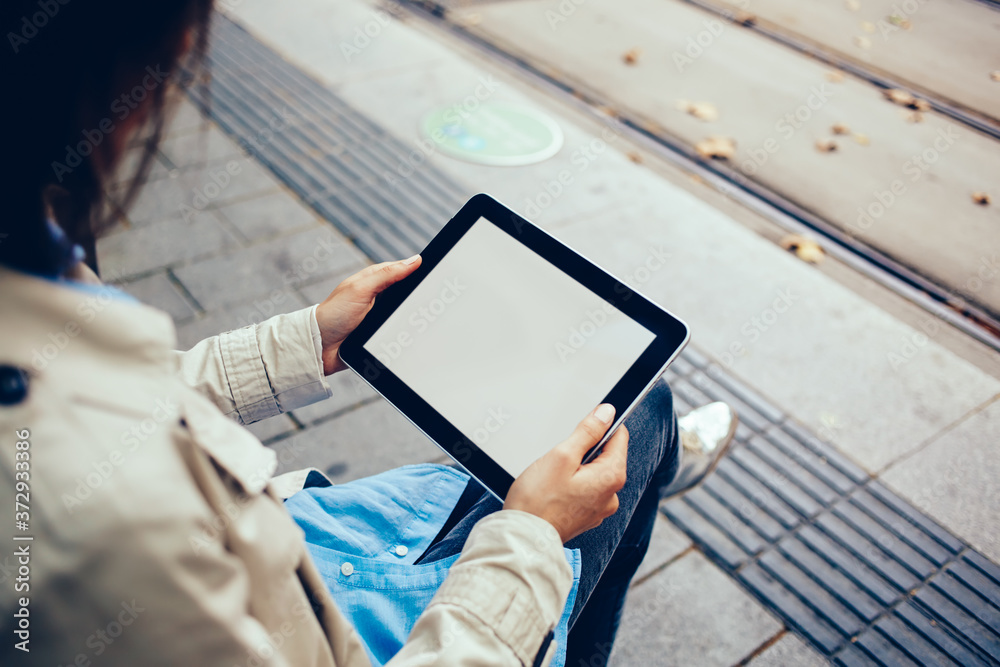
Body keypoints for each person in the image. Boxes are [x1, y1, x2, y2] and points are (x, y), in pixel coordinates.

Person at [0, 1, 735, 665]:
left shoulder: (27, 273)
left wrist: (305, 340)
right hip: (324, 614)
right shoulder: (91, 539)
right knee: (640, 415)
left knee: (586, 440)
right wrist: (535, 538)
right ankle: (639, 482)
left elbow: (110, 403)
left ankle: (629, 481)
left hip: (284, 548)